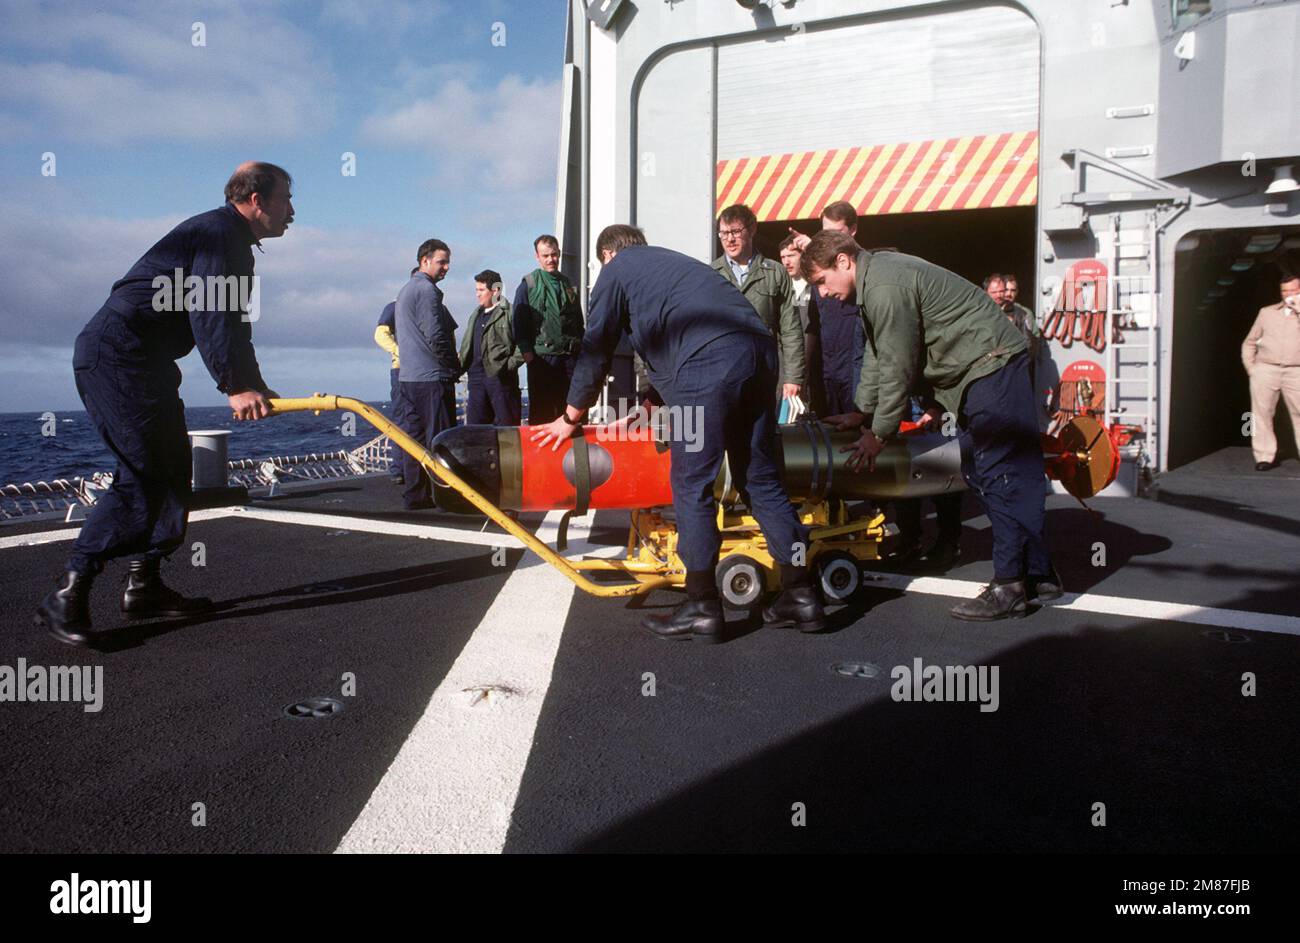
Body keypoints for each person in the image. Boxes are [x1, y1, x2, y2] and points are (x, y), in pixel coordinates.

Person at [34, 161, 291, 647]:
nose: (292, 211)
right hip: (117, 357)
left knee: (173, 474)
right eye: (286, 199)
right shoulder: (220, 234)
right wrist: (234, 385)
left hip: (145, 364)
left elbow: (233, 325)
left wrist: (252, 382)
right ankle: (68, 591)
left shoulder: (229, 241)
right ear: (257, 200)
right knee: (145, 475)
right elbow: (210, 313)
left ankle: (144, 585)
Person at [532, 225, 826, 643]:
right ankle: (802, 594)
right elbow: (687, 340)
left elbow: (596, 348)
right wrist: (648, 406)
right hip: (758, 355)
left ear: (607, 255)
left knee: (691, 483)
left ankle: (703, 606)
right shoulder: (676, 265)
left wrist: (570, 416)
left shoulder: (617, 271)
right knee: (761, 480)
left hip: (708, 364)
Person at [801, 230, 1059, 621]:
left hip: (990, 368)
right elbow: (875, 354)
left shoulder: (884, 285)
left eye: (821, 281)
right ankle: (1039, 575)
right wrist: (861, 412)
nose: (822, 294)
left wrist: (879, 433)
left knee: (999, 474)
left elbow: (898, 366)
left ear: (843, 261)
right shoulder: (875, 282)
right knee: (994, 471)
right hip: (984, 369)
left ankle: (1010, 587)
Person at [711, 204, 805, 405]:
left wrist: (793, 376)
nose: (730, 239)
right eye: (724, 233)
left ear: (752, 230)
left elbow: (791, 329)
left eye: (736, 231)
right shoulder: (711, 274)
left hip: (763, 370)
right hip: (723, 371)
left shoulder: (775, 272)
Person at [395, 239, 459, 510]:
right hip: (431, 379)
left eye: (447, 263)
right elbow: (435, 335)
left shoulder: (405, 290)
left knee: (414, 440)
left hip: (408, 379)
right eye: (441, 262)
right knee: (441, 440)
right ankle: (447, 496)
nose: (446, 268)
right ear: (425, 261)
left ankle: (415, 495)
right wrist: (452, 365)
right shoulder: (427, 292)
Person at [789, 201, 865, 415]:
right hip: (826, 369)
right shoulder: (818, 276)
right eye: (825, 233)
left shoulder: (864, 272)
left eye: (837, 233)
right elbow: (812, 327)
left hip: (857, 370)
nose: (830, 240)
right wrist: (801, 375)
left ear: (853, 230)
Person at [513, 235, 584, 423]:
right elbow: (519, 323)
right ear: (537, 256)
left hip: (569, 358)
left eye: (554, 255)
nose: (550, 259)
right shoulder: (528, 284)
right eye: (545, 256)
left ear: (559, 253)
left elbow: (578, 323)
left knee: (570, 413)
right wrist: (528, 355)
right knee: (542, 412)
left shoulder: (569, 285)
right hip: (543, 358)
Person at [1241, 272, 1300, 471]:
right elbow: (1249, 342)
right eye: (1285, 291)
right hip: (1266, 369)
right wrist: (1252, 368)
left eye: (1293, 290)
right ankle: (1263, 456)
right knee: (1260, 414)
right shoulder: (1267, 312)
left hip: (1296, 371)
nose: (1289, 294)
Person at [459, 269, 524, 425]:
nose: (477, 294)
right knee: (476, 432)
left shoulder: (511, 312)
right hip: (475, 381)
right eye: (476, 290)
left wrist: (507, 365)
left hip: (501, 380)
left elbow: (524, 345)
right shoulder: (475, 314)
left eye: (481, 290)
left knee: (506, 430)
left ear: (495, 290)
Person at [375, 270, 417, 485]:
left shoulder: (425, 306)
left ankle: (413, 467)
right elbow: (380, 334)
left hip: (422, 371)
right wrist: (401, 351)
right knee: (402, 420)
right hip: (402, 370)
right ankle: (398, 468)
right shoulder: (395, 306)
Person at [778, 234, 824, 415]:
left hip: (815, 364)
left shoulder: (818, 286)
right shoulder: (780, 287)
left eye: (791, 256)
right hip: (786, 366)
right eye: (782, 257)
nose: (786, 262)